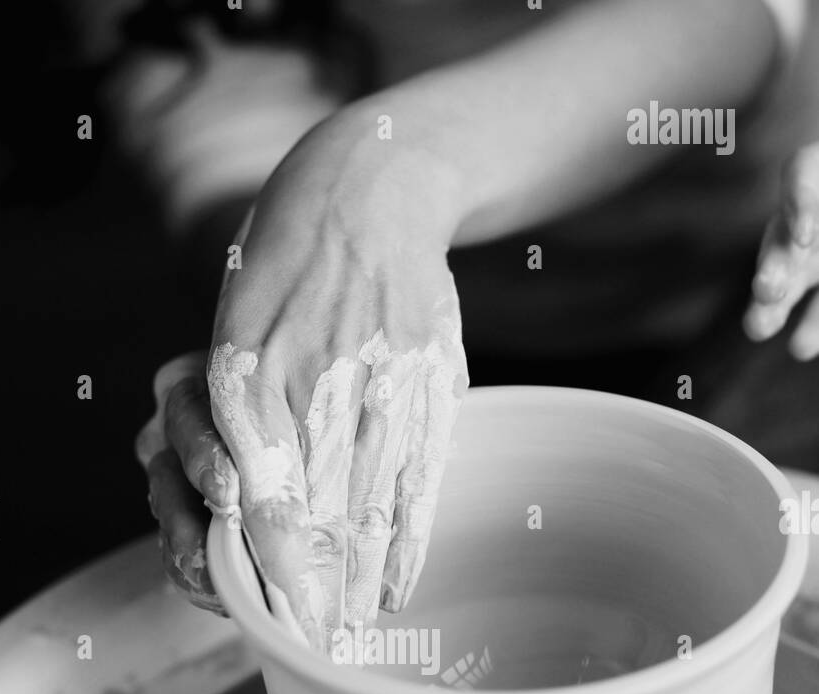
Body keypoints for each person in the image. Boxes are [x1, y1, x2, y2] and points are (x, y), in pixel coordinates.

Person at [123, 0, 819, 640]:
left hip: (767, 271)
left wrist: (386, 165)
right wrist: (260, 323)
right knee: (282, 517)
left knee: (743, 536)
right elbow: (221, 111)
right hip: (423, 325)